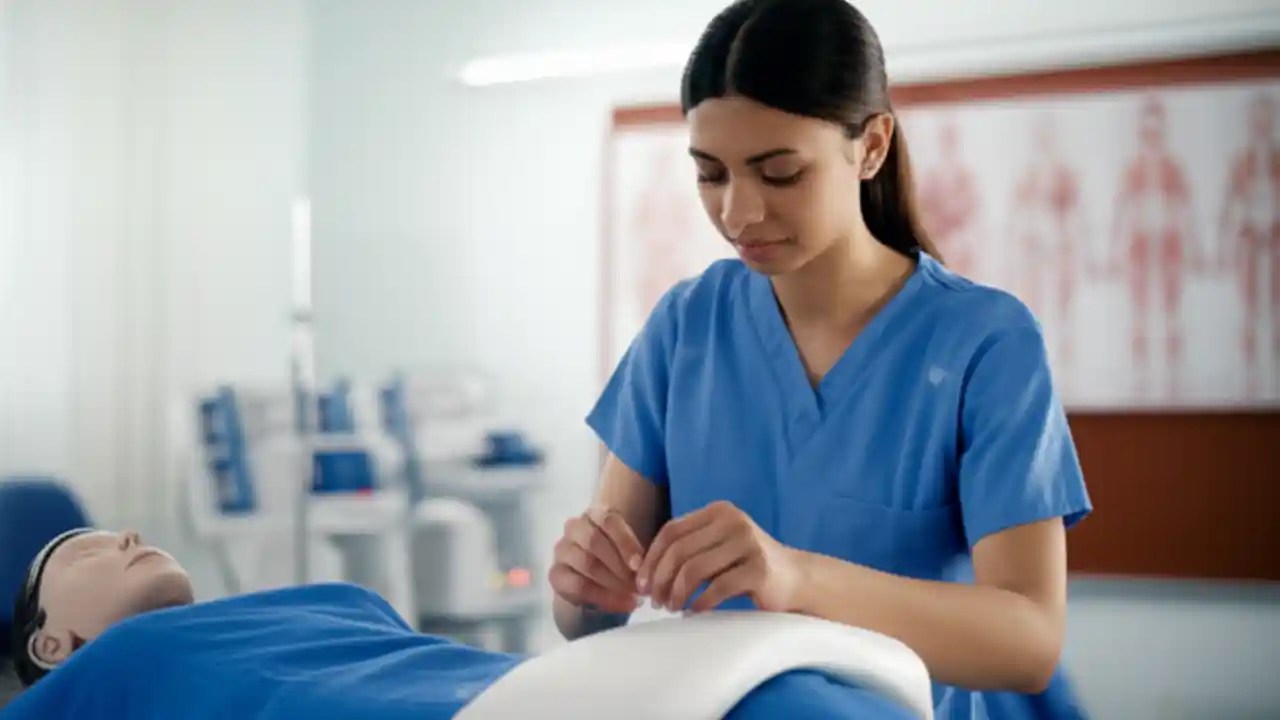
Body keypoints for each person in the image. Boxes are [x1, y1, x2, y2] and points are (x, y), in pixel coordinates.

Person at [549, 1, 1094, 718]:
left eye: (778, 174)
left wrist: (795, 578)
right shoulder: (686, 327)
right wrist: (582, 589)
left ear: (870, 147)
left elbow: (1028, 644)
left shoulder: (984, 343)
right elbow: (591, 614)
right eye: (711, 174)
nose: (739, 213)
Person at [4, 528, 920, 719]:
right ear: (53, 647)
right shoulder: (107, 680)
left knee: (788, 694)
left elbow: (390, 649)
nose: (123, 533)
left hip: (497, 684)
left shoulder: (298, 604)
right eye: (82, 552)